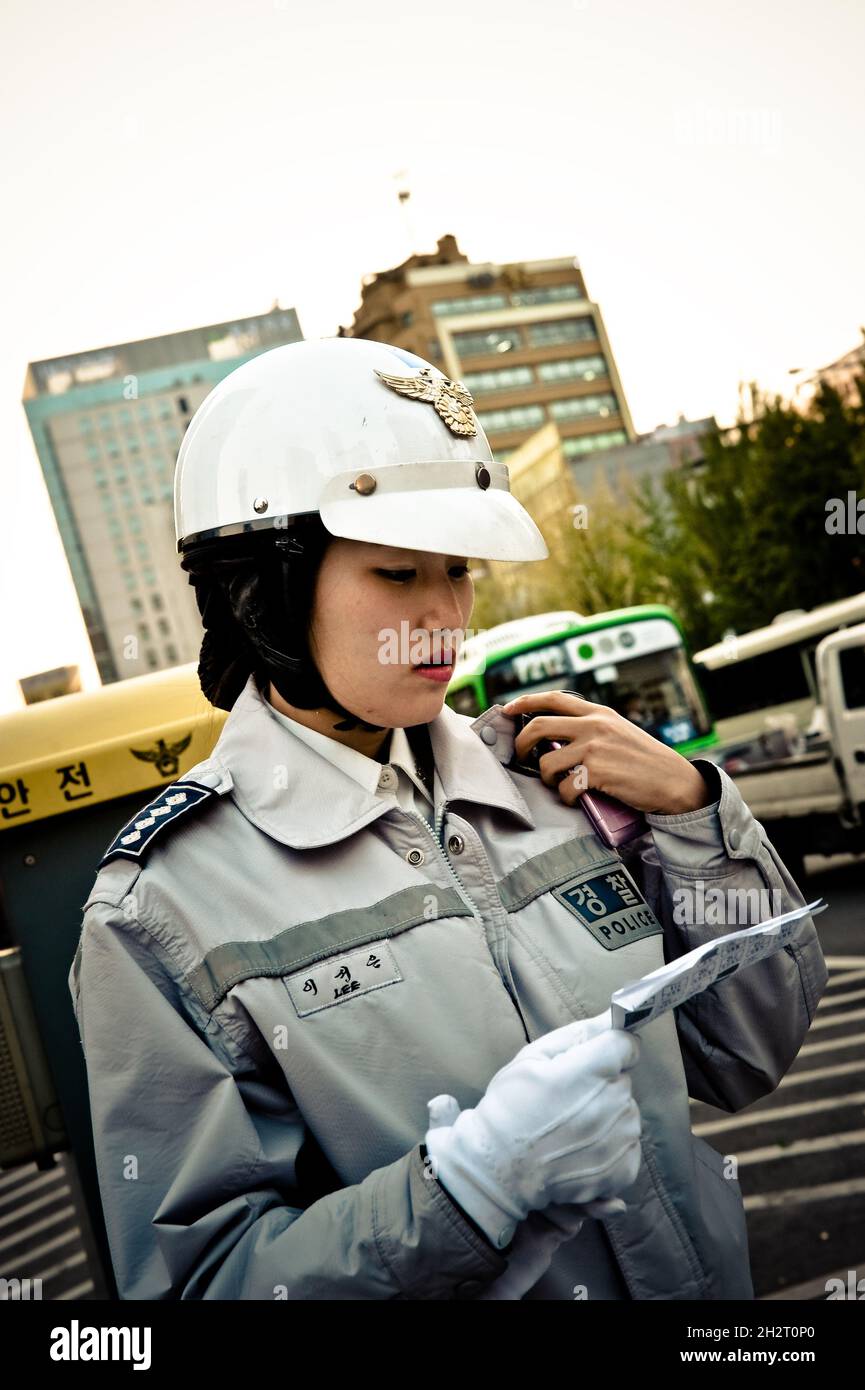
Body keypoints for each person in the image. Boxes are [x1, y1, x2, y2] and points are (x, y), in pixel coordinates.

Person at [69, 337, 828, 1301]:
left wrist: (693, 815)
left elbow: (745, 1050)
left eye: (458, 568)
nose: (443, 616)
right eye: (396, 575)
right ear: (263, 591)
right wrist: (466, 1192)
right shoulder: (160, 911)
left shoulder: (554, 775)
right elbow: (200, 1284)